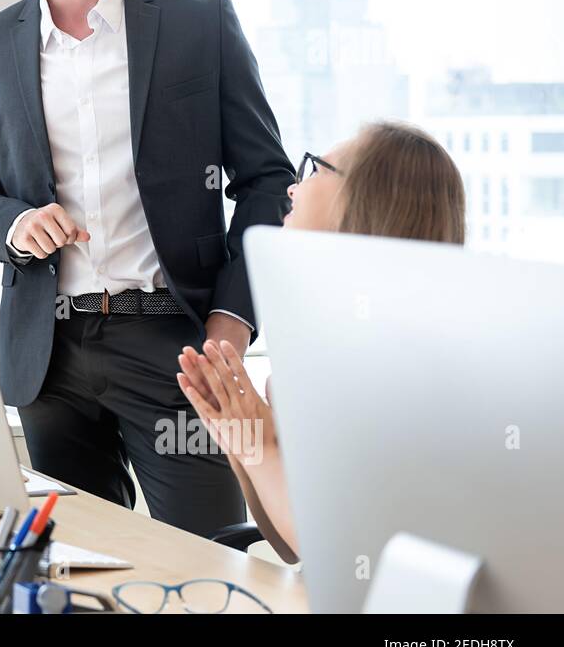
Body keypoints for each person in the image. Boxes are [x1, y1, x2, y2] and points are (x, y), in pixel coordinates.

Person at [0, 0, 295, 537]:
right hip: (48, 356)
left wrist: (231, 321)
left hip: (177, 346)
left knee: (209, 563)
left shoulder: (200, 22)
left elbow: (267, 180)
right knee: (73, 571)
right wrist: (16, 225)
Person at [176, 120, 467, 561]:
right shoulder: (323, 351)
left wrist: (262, 449)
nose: (293, 188)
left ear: (368, 199)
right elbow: (290, 547)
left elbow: (347, 561)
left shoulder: (398, 371)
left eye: (316, 169)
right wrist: (242, 436)